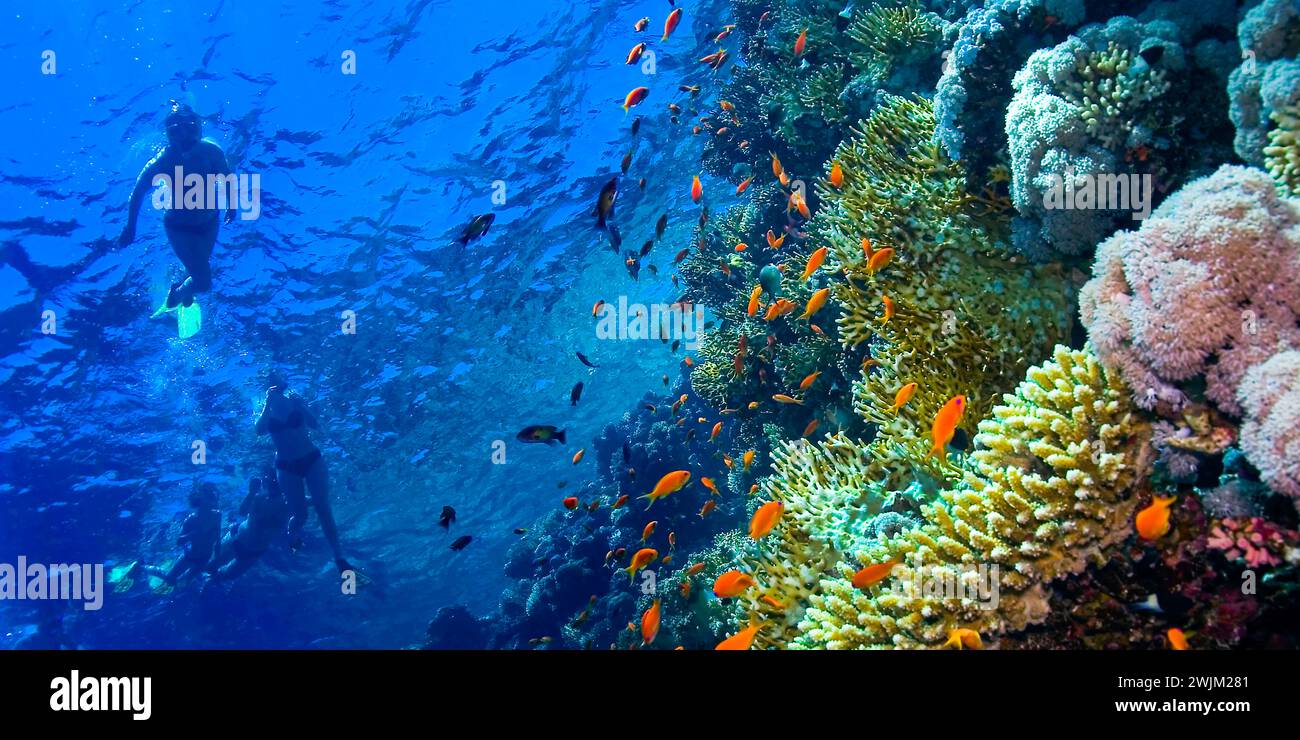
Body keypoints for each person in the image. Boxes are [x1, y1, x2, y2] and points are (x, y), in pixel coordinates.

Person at [118, 100, 236, 309]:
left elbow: (227, 177)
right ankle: (177, 295)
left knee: (197, 271)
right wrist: (130, 227)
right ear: (168, 135)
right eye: (175, 132)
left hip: (210, 223)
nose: (184, 137)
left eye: (190, 129)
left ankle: (186, 286)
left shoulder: (212, 152)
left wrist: (232, 205)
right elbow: (138, 192)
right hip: (179, 229)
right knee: (203, 281)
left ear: (198, 129)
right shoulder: (163, 161)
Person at [255, 375, 354, 574]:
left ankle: (339, 557)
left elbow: (314, 424)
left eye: (277, 382)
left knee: (323, 507)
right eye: (270, 383)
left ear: (284, 384)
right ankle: (293, 534)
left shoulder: (294, 400)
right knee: (300, 514)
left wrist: (302, 405)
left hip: (311, 458)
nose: (274, 386)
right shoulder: (261, 407)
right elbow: (259, 430)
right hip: (285, 466)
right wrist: (267, 404)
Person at [132, 484, 222, 589]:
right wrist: (190, 535)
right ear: (201, 503)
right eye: (209, 501)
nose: (212, 504)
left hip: (204, 559)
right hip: (190, 557)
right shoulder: (191, 520)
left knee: (184, 583)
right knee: (170, 580)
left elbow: (218, 541)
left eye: (212, 500)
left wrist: (217, 561)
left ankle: (179, 582)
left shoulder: (217, 516)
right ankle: (142, 567)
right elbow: (179, 542)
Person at [207, 473, 288, 581]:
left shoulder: (288, 502)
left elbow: (313, 499)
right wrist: (251, 493)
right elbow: (242, 511)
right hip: (237, 539)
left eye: (275, 484)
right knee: (211, 566)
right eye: (270, 483)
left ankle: (209, 583)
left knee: (226, 576)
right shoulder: (259, 497)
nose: (272, 487)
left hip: (253, 551)